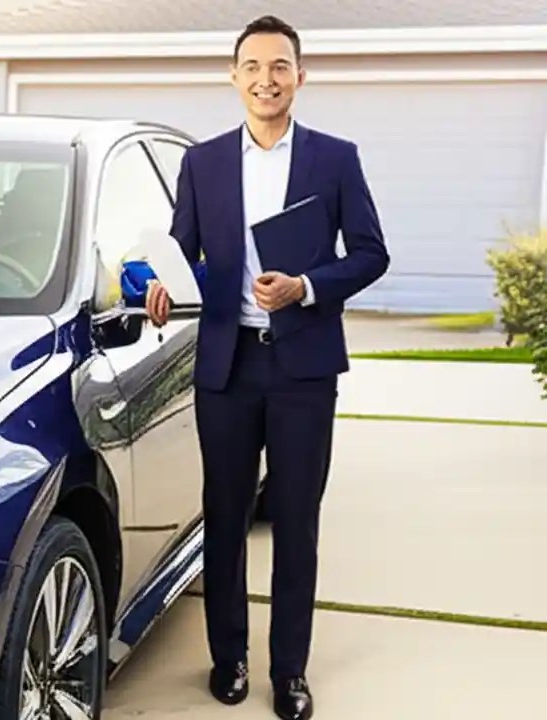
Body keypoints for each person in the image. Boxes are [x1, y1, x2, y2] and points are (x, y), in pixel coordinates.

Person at [145, 15, 389, 720]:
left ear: (300, 77)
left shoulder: (336, 159)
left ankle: (290, 673)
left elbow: (371, 253)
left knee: (295, 522)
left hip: (303, 370)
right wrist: (163, 291)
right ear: (233, 76)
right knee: (223, 520)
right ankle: (230, 660)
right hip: (226, 368)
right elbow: (181, 255)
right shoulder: (204, 163)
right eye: (252, 66)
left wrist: (305, 288)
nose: (266, 79)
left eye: (280, 66)